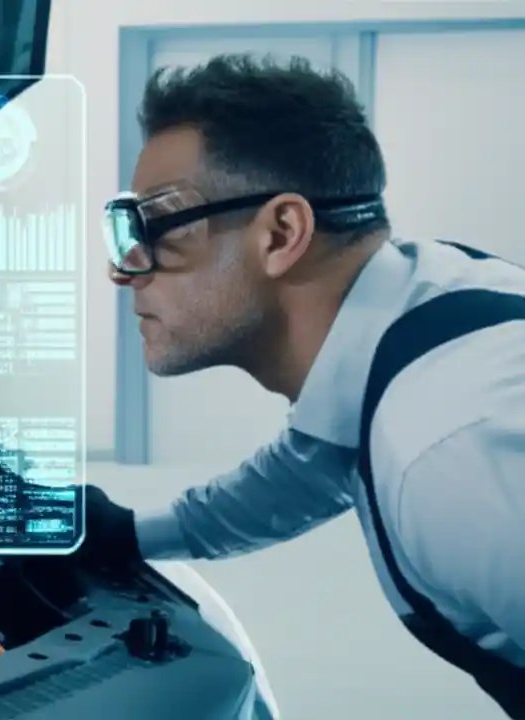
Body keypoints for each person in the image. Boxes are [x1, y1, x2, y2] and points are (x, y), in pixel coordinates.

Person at [79, 53, 525, 717]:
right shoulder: (421, 292)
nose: (128, 271)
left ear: (282, 233)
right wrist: (130, 534)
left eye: (152, 227)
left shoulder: (452, 453)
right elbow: (312, 466)